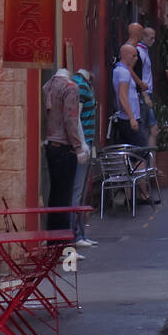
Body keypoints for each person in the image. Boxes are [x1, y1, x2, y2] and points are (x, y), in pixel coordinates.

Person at [43, 67, 88, 244]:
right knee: (65, 196)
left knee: (55, 195)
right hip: (64, 147)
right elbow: (71, 119)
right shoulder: (71, 88)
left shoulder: (48, 86)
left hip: (51, 144)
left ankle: (53, 240)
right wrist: (78, 147)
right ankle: (62, 242)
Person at [111, 44, 152, 203]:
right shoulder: (122, 72)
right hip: (130, 120)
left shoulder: (122, 71)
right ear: (126, 55)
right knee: (141, 156)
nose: (136, 59)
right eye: (134, 56)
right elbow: (122, 96)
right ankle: (143, 193)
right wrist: (132, 117)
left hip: (127, 119)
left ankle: (131, 195)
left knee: (131, 157)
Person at [71, 68, 99, 245]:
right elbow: (76, 117)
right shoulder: (81, 86)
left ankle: (79, 232)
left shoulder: (84, 84)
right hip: (83, 144)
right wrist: (81, 144)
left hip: (87, 143)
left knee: (79, 192)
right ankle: (75, 234)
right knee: (77, 191)